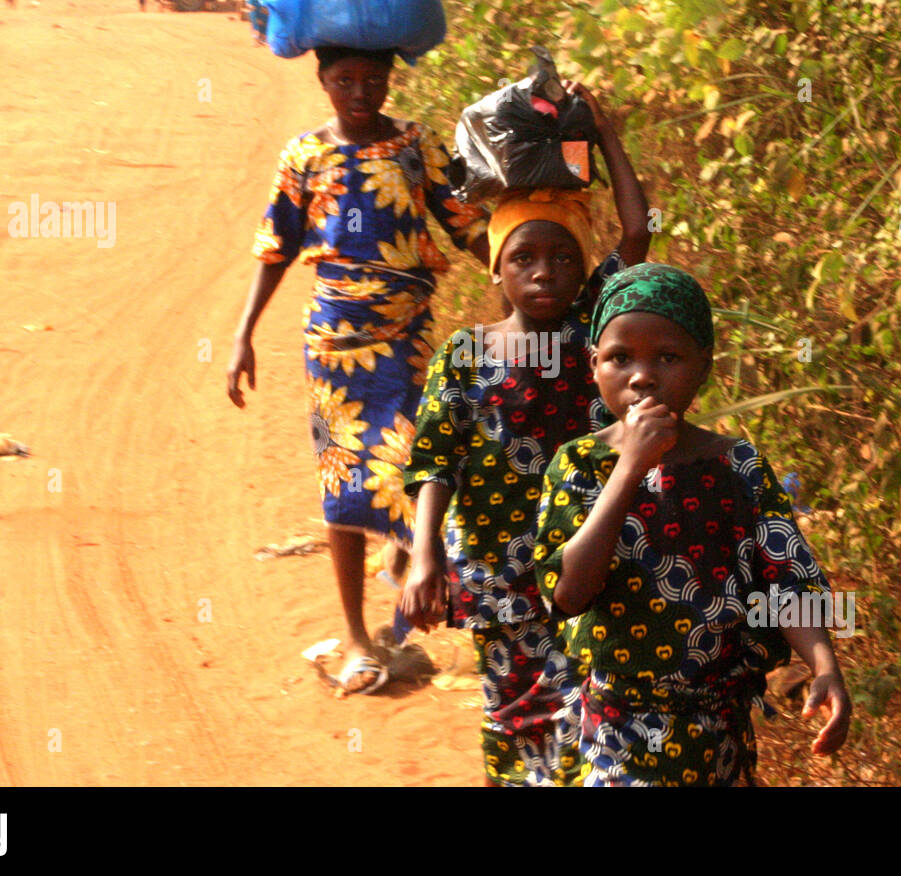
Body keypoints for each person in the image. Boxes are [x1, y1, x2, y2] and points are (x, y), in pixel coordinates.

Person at [400, 83, 652, 785]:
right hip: (491, 577)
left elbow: (637, 234)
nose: (544, 271)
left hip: (584, 568)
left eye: (564, 257)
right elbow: (432, 463)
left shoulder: (592, 333)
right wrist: (425, 558)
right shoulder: (466, 353)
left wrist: (605, 138)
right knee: (512, 722)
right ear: (498, 269)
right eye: (524, 258)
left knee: (587, 720)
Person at [226, 47, 491, 696]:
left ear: (390, 81)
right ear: (322, 82)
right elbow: (275, 249)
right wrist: (242, 336)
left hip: (410, 341)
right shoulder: (303, 157)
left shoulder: (415, 148)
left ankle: (409, 579)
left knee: (423, 463)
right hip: (336, 349)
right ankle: (354, 634)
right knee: (343, 488)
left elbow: (464, 225)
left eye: (373, 79)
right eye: (344, 79)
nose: (359, 91)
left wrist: (527, 282)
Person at [532, 263, 852, 786]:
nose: (642, 374)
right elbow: (568, 593)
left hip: (719, 731)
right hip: (619, 732)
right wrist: (631, 466)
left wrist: (825, 667)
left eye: (668, 356)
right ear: (593, 366)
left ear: (704, 365)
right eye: (620, 357)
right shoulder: (580, 465)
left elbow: (786, 580)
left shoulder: (738, 465)